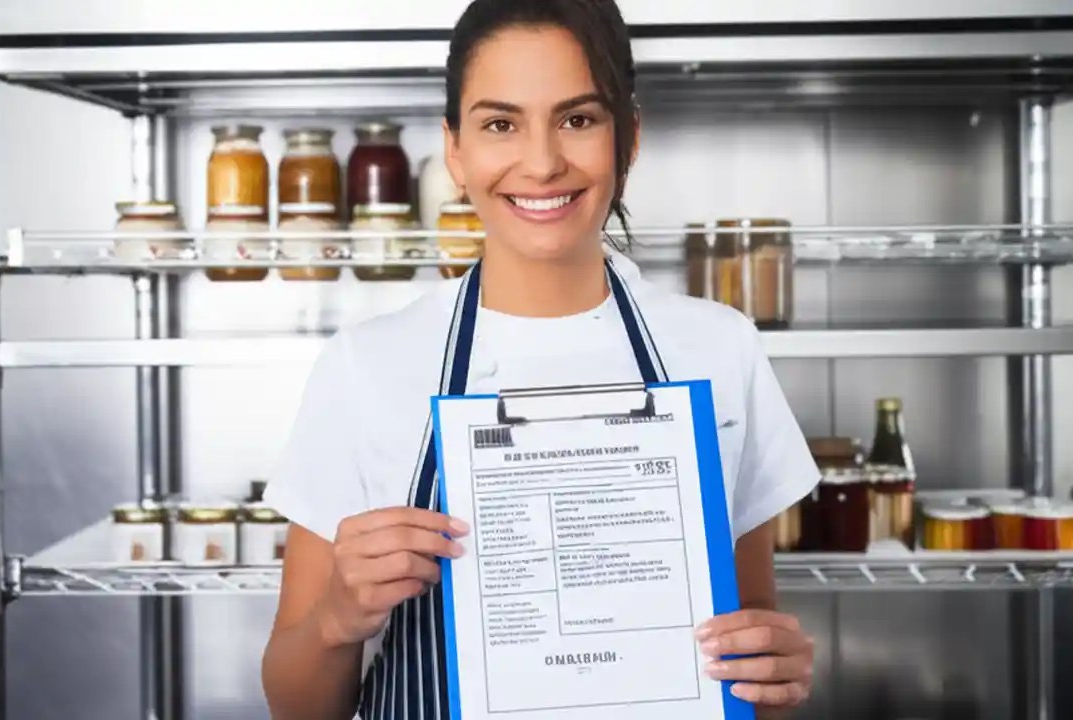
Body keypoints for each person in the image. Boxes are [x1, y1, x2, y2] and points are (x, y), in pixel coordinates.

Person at [261, 1, 818, 717]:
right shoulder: (365, 367)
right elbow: (294, 704)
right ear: (455, 151)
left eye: (578, 119)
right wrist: (338, 618)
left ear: (630, 138)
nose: (543, 161)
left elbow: (746, 665)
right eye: (500, 124)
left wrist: (775, 675)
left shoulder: (720, 347)